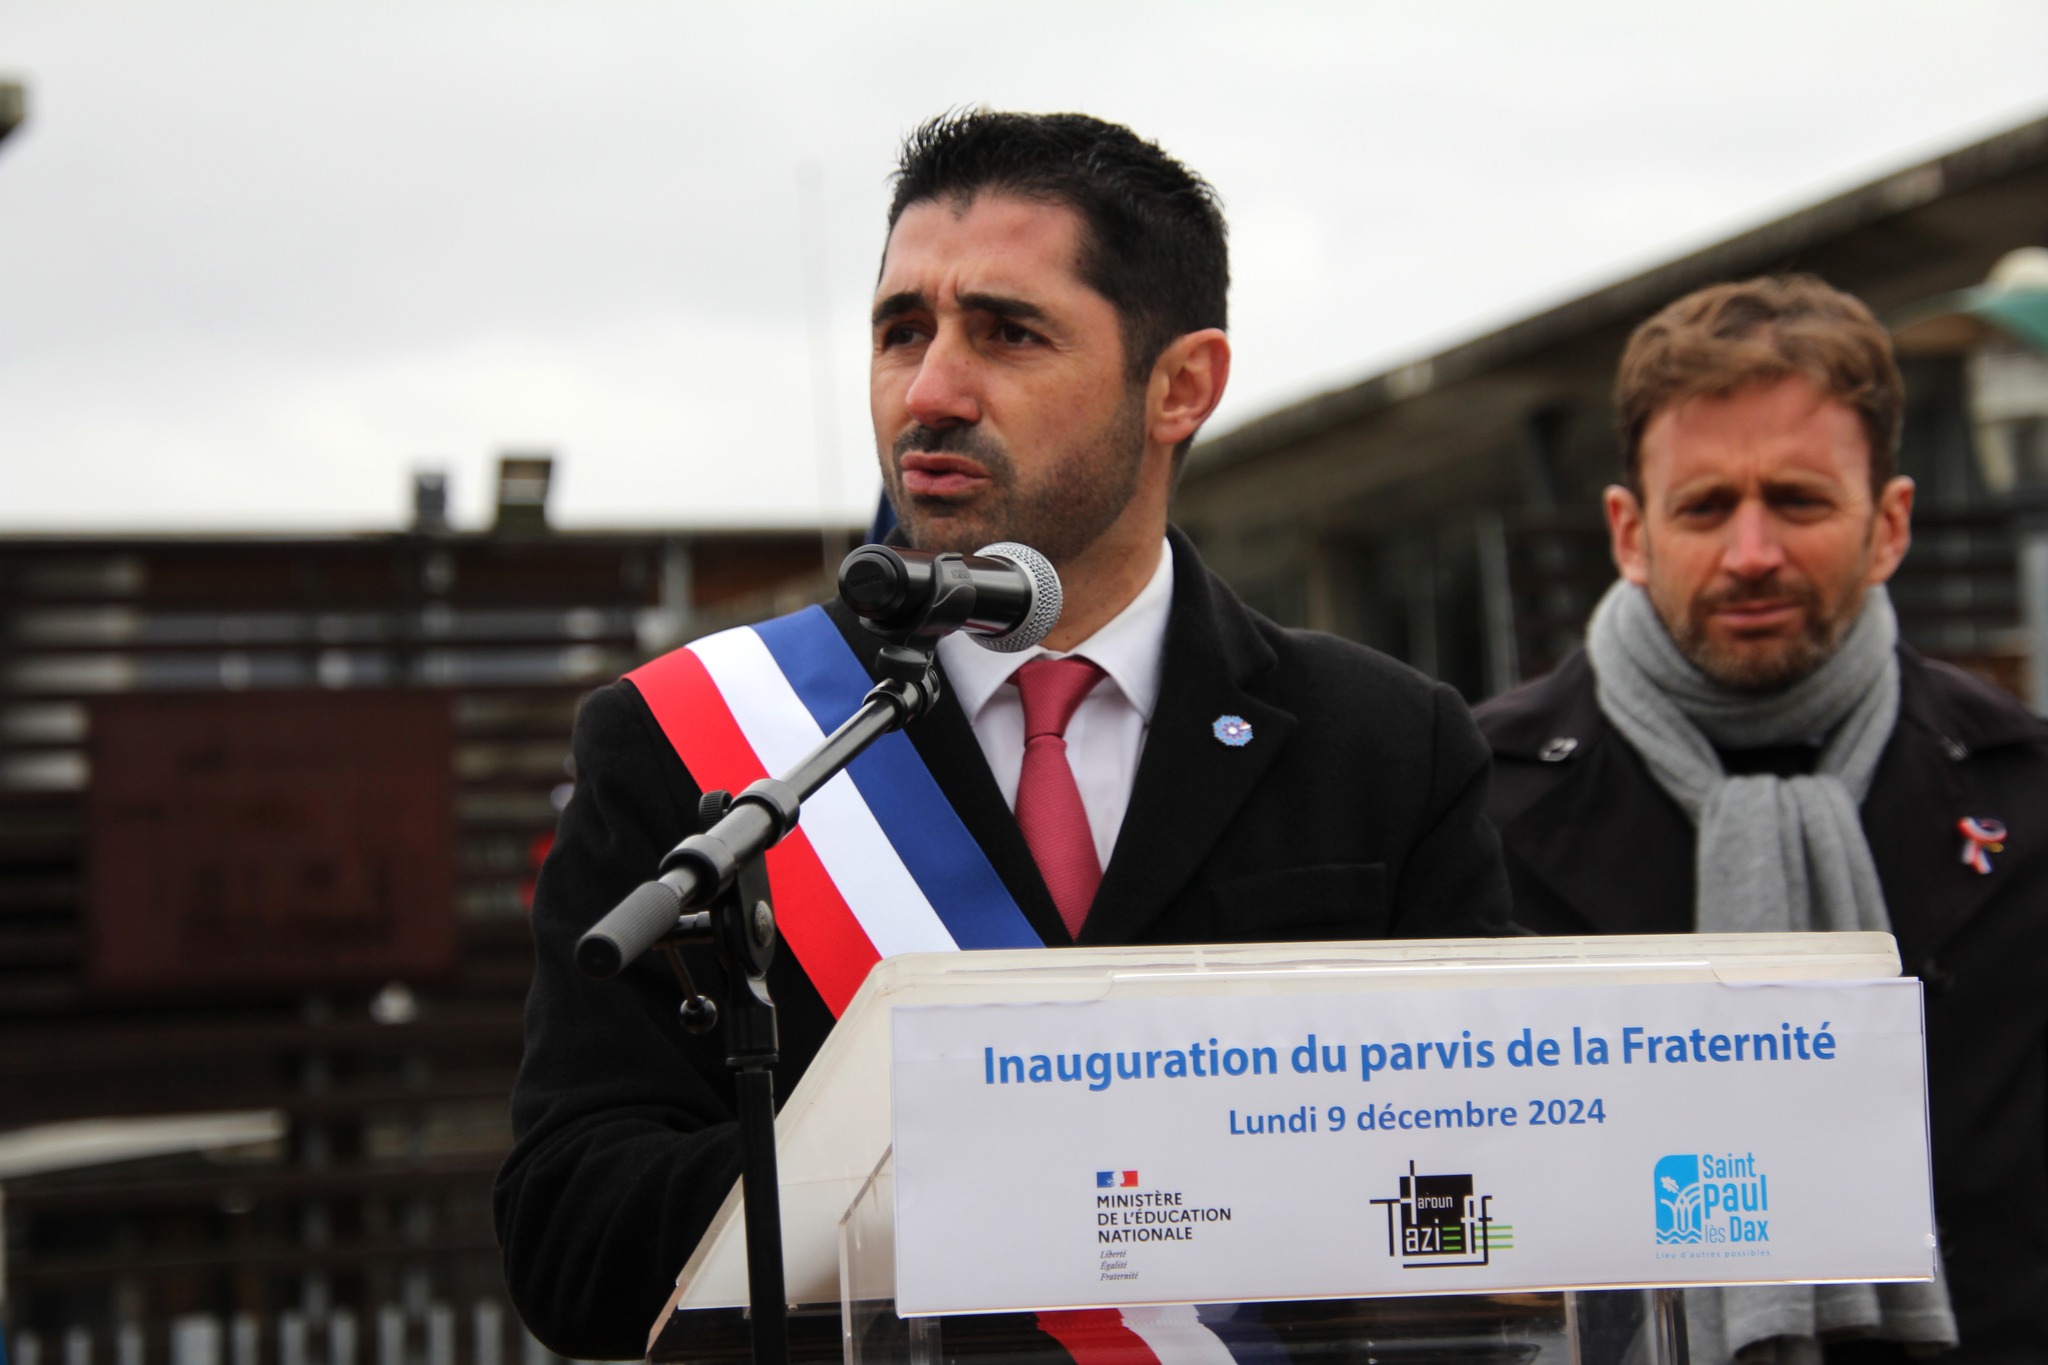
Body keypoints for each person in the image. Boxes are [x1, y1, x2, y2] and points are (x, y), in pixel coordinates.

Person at [496, 110, 1511, 1359]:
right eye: (900, 330)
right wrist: (926, 1176)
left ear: (1179, 386)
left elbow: (1486, 1186)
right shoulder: (691, 742)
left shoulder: (1385, 744)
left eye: (1006, 332)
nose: (927, 392)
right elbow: (567, 1239)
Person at [1477, 275, 2048, 1363]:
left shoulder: (2024, 797)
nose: (1750, 553)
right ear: (1627, 530)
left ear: (1887, 525)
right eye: (1703, 507)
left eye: (1795, 500)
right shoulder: (1472, 801)